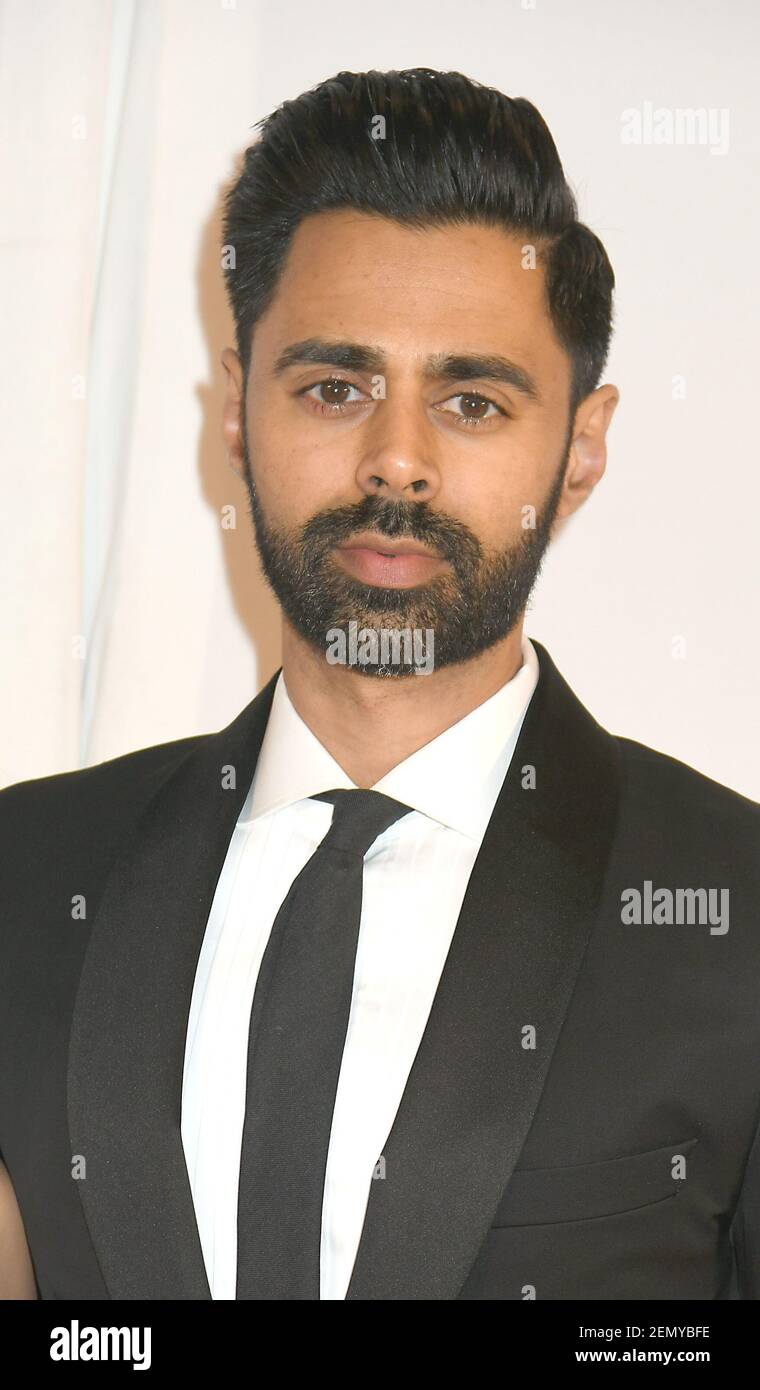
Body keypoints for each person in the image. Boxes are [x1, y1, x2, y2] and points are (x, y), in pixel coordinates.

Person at [1, 68, 758, 1302]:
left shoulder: (733, 910)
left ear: (580, 449)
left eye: (470, 400)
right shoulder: (25, 879)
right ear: (237, 416)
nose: (395, 461)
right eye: (334, 389)